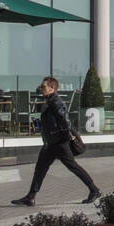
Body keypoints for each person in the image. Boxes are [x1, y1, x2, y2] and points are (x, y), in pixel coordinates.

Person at [12, 76, 100, 207]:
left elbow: (65, 121)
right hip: (50, 143)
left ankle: (95, 190)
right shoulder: (49, 100)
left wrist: (65, 137)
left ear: (52, 88)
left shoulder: (55, 102)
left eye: (44, 86)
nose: (41, 88)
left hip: (59, 143)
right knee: (40, 169)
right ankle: (30, 197)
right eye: (41, 86)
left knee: (73, 167)